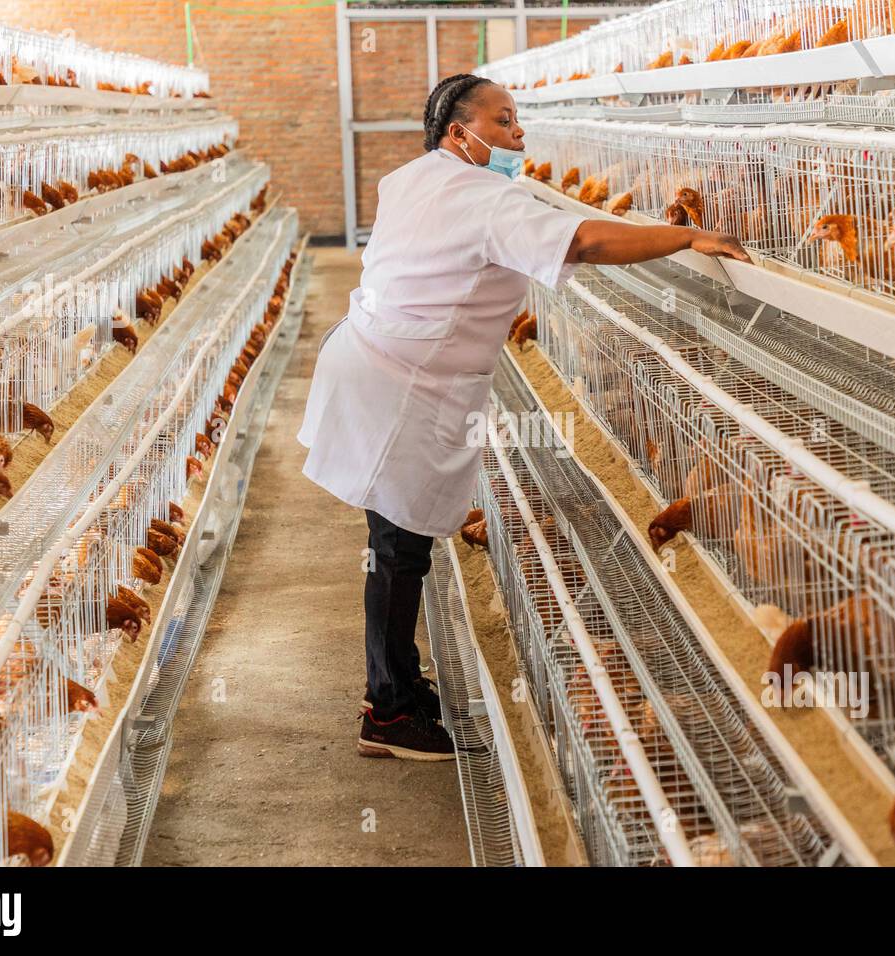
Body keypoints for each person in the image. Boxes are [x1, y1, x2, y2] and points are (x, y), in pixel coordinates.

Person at [298, 73, 748, 760]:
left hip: (373, 360)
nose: (518, 134)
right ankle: (387, 714)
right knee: (397, 550)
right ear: (459, 132)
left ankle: (396, 686)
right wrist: (682, 239)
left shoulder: (411, 180)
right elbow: (587, 243)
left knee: (395, 544)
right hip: (400, 388)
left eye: (517, 120)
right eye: (504, 121)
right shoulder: (485, 202)